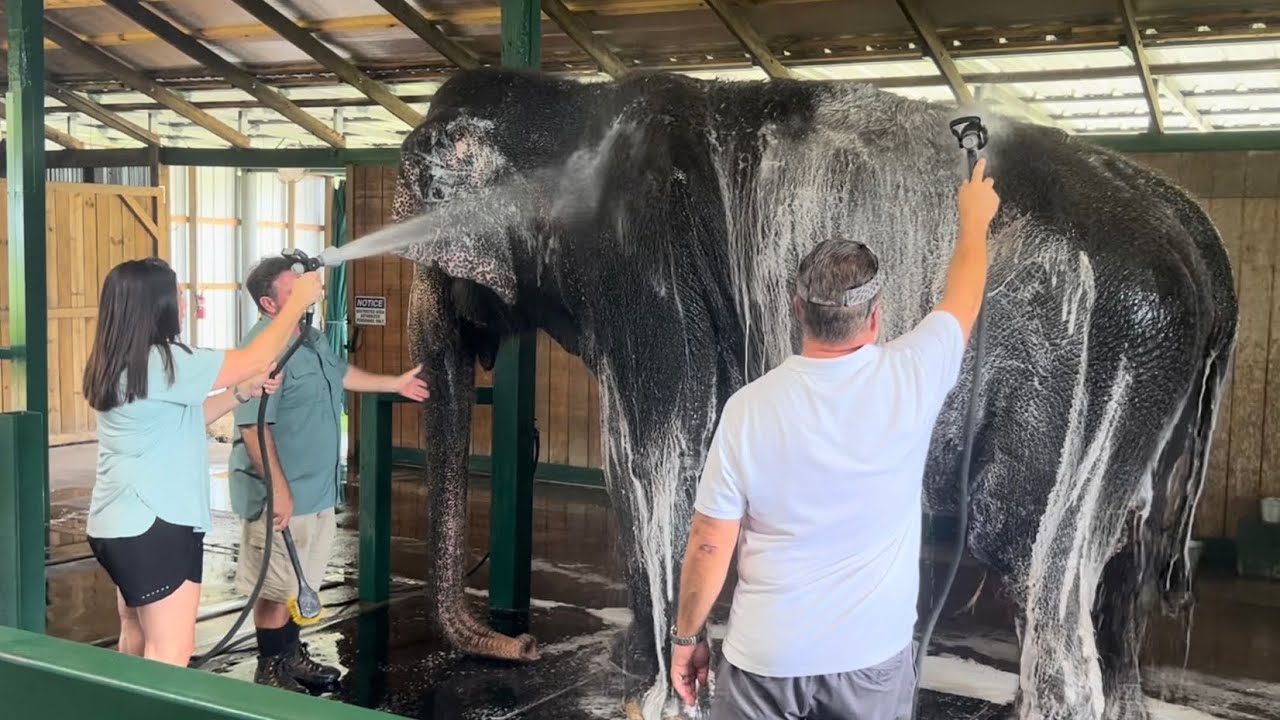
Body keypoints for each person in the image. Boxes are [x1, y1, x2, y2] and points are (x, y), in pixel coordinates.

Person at [668, 158, 1001, 718]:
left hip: (765, 662)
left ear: (798, 310)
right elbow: (963, 295)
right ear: (875, 317)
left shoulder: (747, 410)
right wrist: (974, 220)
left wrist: (686, 638)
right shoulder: (913, 375)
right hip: (872, 660)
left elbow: (708, 542)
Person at [82, 256, 323, 668]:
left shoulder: (122, 360)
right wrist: (297, 302)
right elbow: (256, 356)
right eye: (177, 296)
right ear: (156, 306)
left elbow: (184, 418)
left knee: (137, 635)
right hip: (156, 527)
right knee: (170, 653)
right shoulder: (163, 360)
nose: (183, 303)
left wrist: (241, 393)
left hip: (116, 526)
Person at [228, 255, 430, 692]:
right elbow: (250, 425)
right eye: (291, 288)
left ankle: (291, 657)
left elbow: (342, 374)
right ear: (268, 303)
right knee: (277, 587)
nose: (305, 290)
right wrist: (279, 489)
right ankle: (272, 669)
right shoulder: (262, 349)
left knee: (301, 584)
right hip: (282, 494)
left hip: (316, 491)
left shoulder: (312, 337)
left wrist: (393, 383)